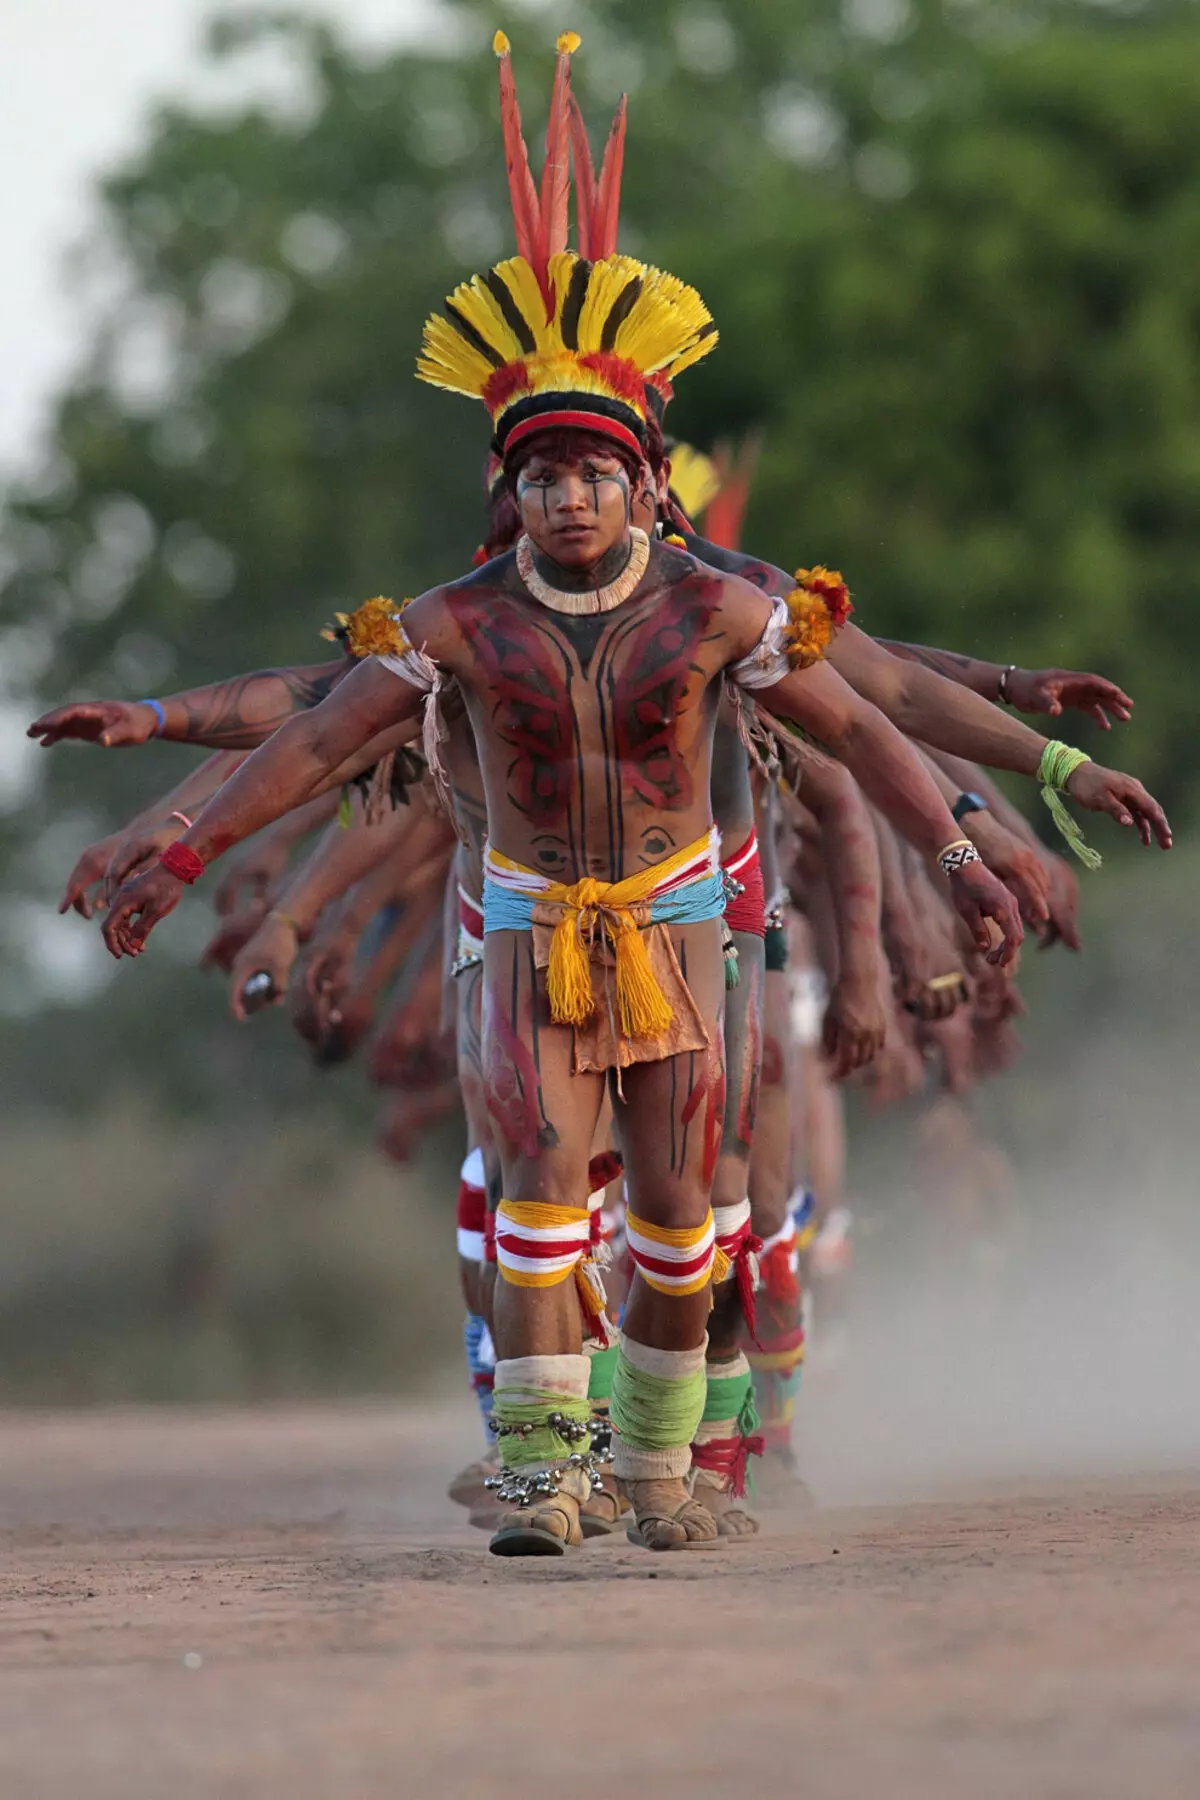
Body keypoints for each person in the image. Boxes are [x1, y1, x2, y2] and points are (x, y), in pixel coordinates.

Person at [98, 41, 1025, 1555]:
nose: (569, 497)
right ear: (509, 491)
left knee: (676, 1220)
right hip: (528, 933)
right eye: (542, 477)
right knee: (535, 1190)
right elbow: (320, 740)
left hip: (681, 931)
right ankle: (545, 1480)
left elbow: (868, 727)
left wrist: (981, 836)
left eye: (595, 472)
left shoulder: (719, 616)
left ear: (644, 481)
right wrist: (189, 836)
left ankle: (663, 1475)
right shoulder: (457, 627)